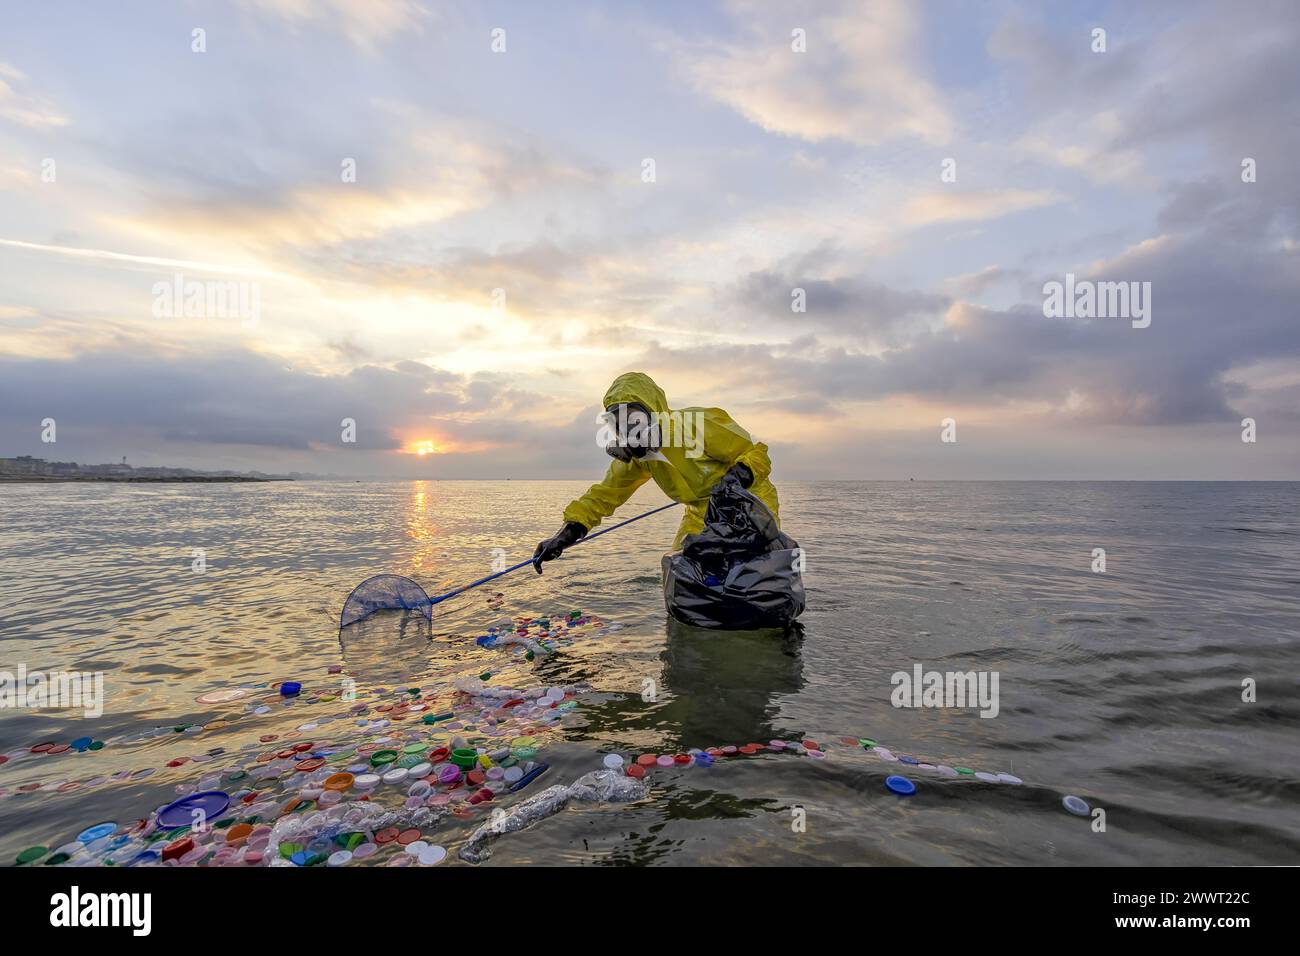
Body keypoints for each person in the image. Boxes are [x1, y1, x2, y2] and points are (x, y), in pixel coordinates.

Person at [533, 372, 781, 571]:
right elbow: (603, 496)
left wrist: (737, 476)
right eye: (617, 422)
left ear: (653, 411)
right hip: (698, 515)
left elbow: (757, 454)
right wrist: (564, 536)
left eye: (634, 418)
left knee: (749, 567)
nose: (628, 428)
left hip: (748, 503)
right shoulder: (640, 459)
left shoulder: (696, 425)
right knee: (683, 568)